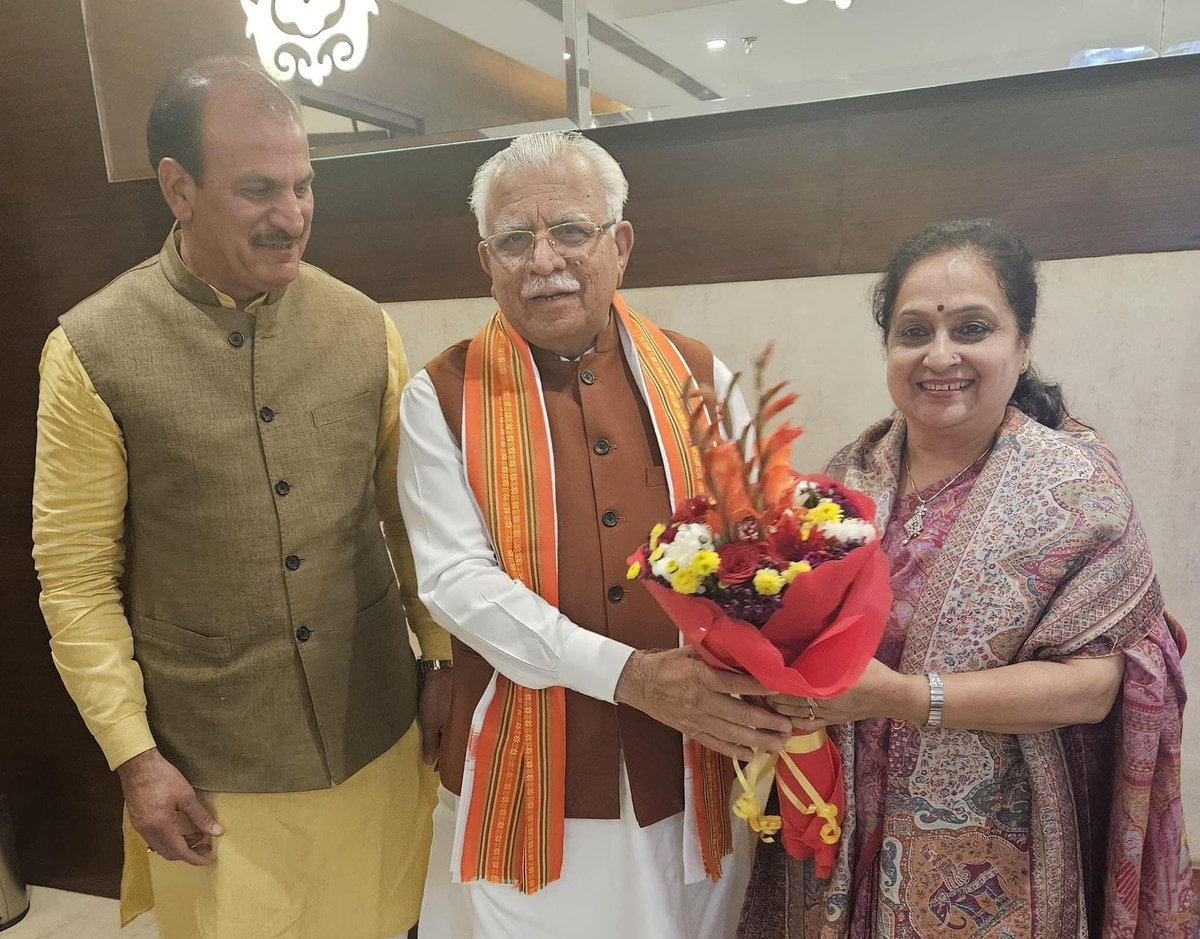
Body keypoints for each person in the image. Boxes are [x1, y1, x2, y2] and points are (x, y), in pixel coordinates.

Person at [31, 57, 450, 939]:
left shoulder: (363, 326)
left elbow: (412, 522)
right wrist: (134, 755)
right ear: (177, 188)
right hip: (211, 765)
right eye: (258, 189)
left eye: (303, 185)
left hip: (373, 728)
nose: (291, 214)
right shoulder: (91, 350)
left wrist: (442, 660)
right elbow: (75, 579)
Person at [738, 219, 1199, 938]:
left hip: (993, 865)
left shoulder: (1075, 486)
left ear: (1024, 341)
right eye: (913, 332)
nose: (939, 355)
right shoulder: (847, 475)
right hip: (838, 831)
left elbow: (1099, 685)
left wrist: (903, 697)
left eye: (973, 328)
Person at [397, 130, 793, 939]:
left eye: (571, 230)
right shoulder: (440, 397)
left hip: (692, 764)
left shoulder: (701, 377)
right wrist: (631, 675)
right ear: (487, 262)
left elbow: (760, 549)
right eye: (515, 240)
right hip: (528, 778)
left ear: (621, 245)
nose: (544, 260)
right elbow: (457, 584)